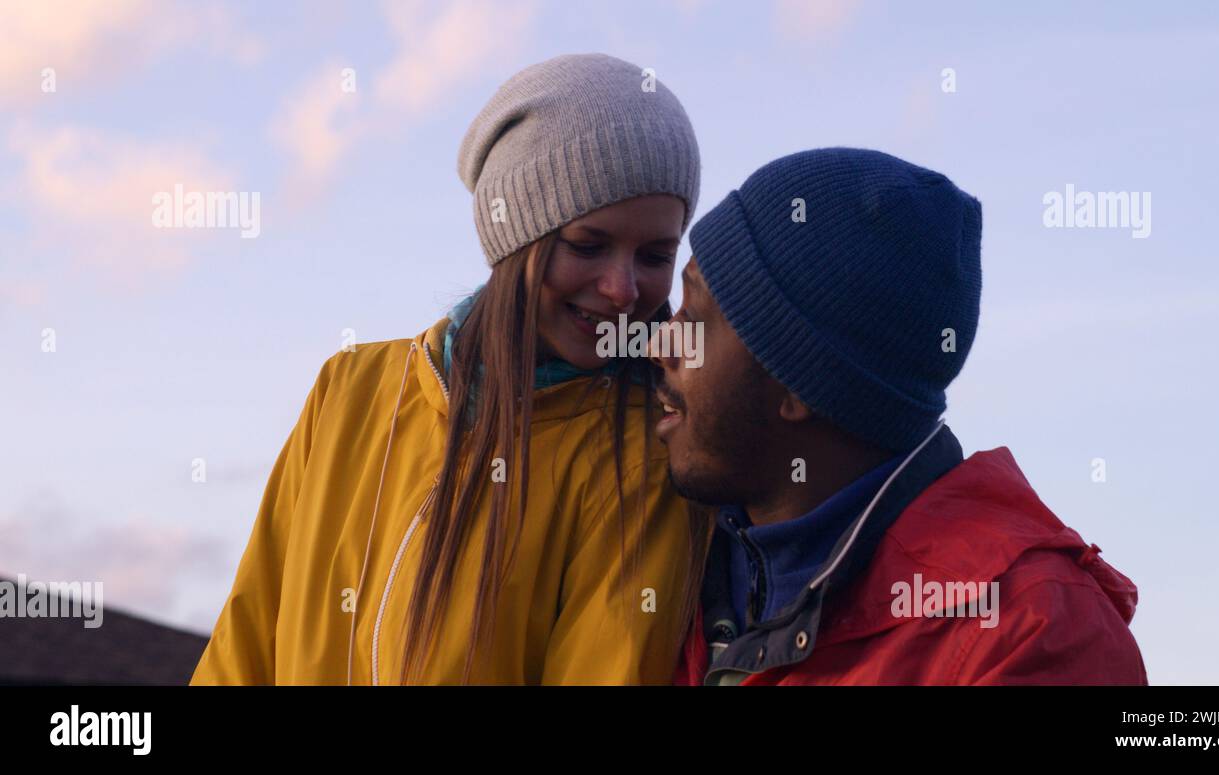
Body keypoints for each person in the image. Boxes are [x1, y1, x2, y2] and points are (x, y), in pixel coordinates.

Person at [191, 53, 708, 685]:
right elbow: (243, 644)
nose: (622, 289)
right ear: (514, 236)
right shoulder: (350, 390)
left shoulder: (646, 459)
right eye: (588, 245)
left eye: (655, 255)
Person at [655, 148, 1148, 685]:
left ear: (796, 384)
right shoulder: (674, 549)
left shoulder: (1033, 633)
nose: (660, 344)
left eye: (694, 319)